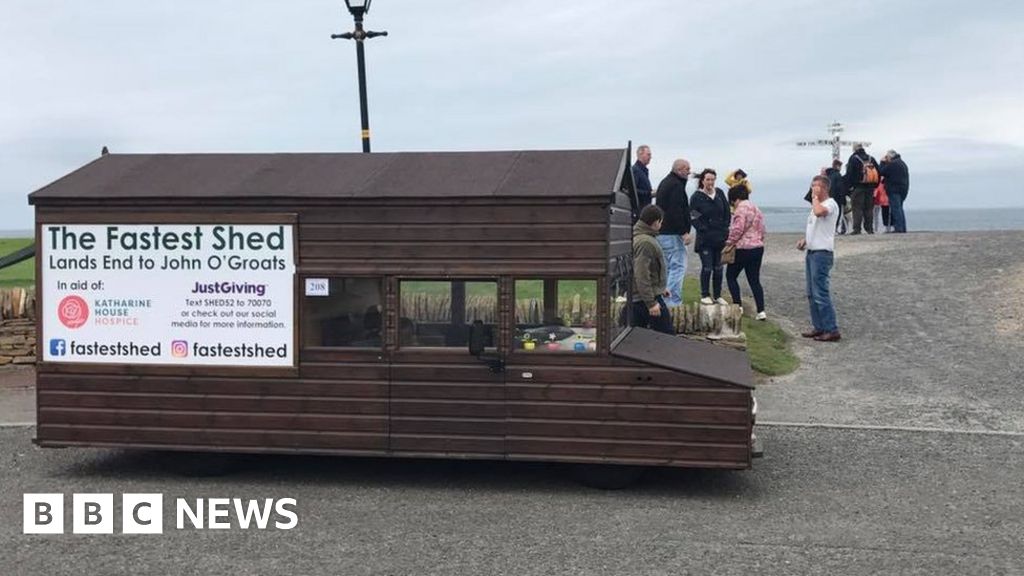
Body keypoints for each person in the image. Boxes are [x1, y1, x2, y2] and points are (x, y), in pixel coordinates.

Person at [797, 175, 841, 342]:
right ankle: (819, 326)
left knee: (820, 292)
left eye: (816, 186)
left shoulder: (830, 204)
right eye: (812, 185)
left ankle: (831, 329)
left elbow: (819, 212)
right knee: (811, 293)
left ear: (825, 188)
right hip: (812, 251)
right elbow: (815, 227)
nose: (813, 188)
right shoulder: (816, 206)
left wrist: (815, 198)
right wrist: (805, 241)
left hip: (822, 253)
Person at [724, 185, 767, 320]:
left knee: (731, 276)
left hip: (743, 248)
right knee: (754, 280)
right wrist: (758, 239)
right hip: (757, 247)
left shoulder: (740, 210)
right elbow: (762, 229)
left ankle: (738, 306)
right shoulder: (756, 209)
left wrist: (729, 242)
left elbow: (737, 229)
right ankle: (761, 311)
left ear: (734, 199)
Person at [654, 158, 693, 307]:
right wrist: (683, 232)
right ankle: (671, 301)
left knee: (666, 268)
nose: (689, 172)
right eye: (687, 169)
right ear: (679, 169)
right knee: (677, 267)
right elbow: (675, 210)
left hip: (662, 233)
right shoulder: (676, 185)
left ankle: (663, 299)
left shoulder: (665, 183)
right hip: (672, 234)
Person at [689, 168, 731, 305]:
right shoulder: (697, 197)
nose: (710, 182)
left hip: (720, 238)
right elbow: (693, 216)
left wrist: (725, 228)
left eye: (712, 179)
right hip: (705, 240)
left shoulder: (719, 193)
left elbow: (726, 211)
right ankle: (705, 294)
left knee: (719, 268)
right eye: (708, 179)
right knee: (707, 267)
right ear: (702, 180)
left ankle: (718, 295)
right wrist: (703, 228)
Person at [631, 205, 674, 334]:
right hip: (645, 299)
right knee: (667, 336)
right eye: (661, 222)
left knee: (637, 335)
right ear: (656, 222)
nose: (661, 225)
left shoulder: (638, 237)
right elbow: (641, 274)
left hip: (639, 297)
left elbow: (651, 270)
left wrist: (660, 287)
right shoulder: (646, 243)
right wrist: (651, 303)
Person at [844, 143, 879, 234]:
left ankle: (857, 229)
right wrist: (875, 185)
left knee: (857, 208)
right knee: (869, 208)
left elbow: (849, 174)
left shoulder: (854, 159)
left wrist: (848, 188)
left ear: (854, 149)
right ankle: (869, 228)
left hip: (858, 187)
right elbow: (878, 172)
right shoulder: (871, 158)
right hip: (870, 187)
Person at [881, 149, 910, 233]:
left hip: (894, 190)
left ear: (890, 156)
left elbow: (882, 172)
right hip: (903, 189)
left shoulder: (892, 164)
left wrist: (882, 162)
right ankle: (902, 227)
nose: (886, 158)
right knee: (899, 208)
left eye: (887, 157)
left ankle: (898, 228)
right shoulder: (902, 163)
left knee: (896, 209)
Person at [631, 145, 654, 215]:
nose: (650, 157)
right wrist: (649, 193)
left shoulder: (642, 171)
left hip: (643, 210)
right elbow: (632, 191)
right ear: (640, 154)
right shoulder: (635, 171)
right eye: (648, 154)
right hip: (639, 210)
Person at [826, 160, 847, 234]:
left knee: (829, 214)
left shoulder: (828, 175)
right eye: (840, 166)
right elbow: (840, 188)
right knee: (837, 214)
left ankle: (829, 229)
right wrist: (843, 200)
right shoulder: (838, 175)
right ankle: (835, 229)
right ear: (838, 166)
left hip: (828, 198)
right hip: (837, 199)